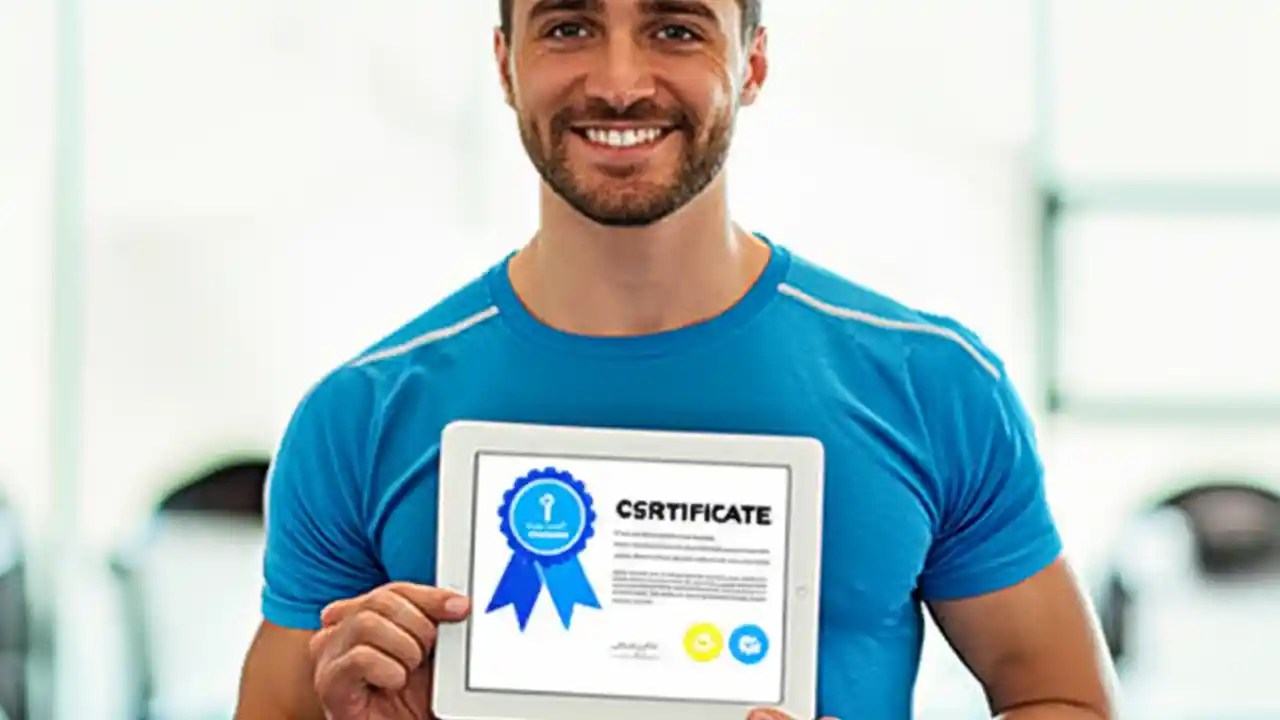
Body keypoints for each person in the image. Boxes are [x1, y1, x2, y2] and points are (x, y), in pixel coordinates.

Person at [235, 0, 1117, 717]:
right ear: (505, 63)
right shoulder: (359, 419)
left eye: (675, 29)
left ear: (752, 63)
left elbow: (1064, 700)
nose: (620, 83)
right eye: (569, 27)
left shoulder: (931, 385)